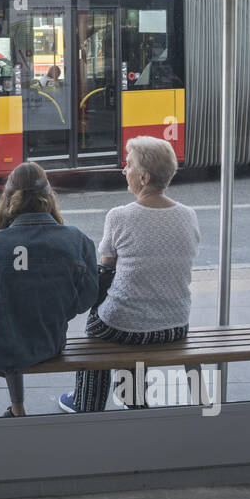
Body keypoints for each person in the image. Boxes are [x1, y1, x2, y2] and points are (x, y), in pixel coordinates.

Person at [59, 136, 200, 414]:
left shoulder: (120, 216)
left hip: (127, 329)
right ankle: (132, 395)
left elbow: (106, 269)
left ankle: (87, 402)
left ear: (145, 177)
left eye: (129, 165)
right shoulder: (189, 215)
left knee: (98, 323)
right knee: (132, 314)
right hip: (175, 324)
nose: (125, 170)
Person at [0, 162, 98, 417]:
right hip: (50, 341)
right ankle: (16, 408)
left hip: (2, 346)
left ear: (8, 200)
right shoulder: (77, 239)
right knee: (7, 325)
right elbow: (86, 300)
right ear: (49, 197)